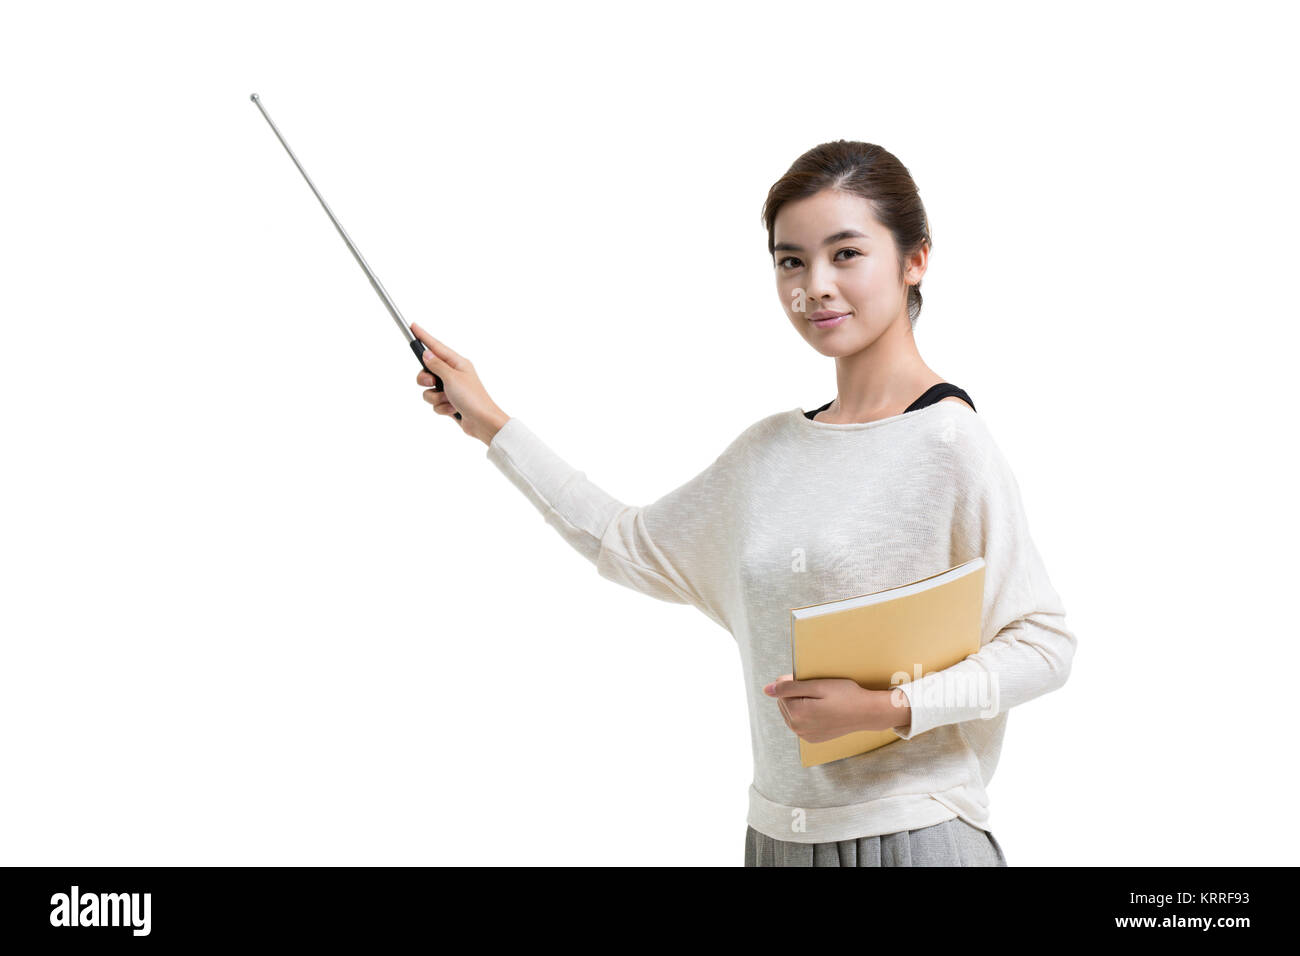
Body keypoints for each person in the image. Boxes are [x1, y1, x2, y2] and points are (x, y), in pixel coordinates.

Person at [409, 140, 1077, 867]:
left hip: (915, 838)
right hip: (776, 840)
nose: (814, 285)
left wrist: (890, 709)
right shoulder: (767, 453)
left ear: (914, 260)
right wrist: (493, 425)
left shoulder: (949, 441)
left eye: (845, 254)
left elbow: (1044, 644)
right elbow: (623, 543)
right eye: (791, 260)